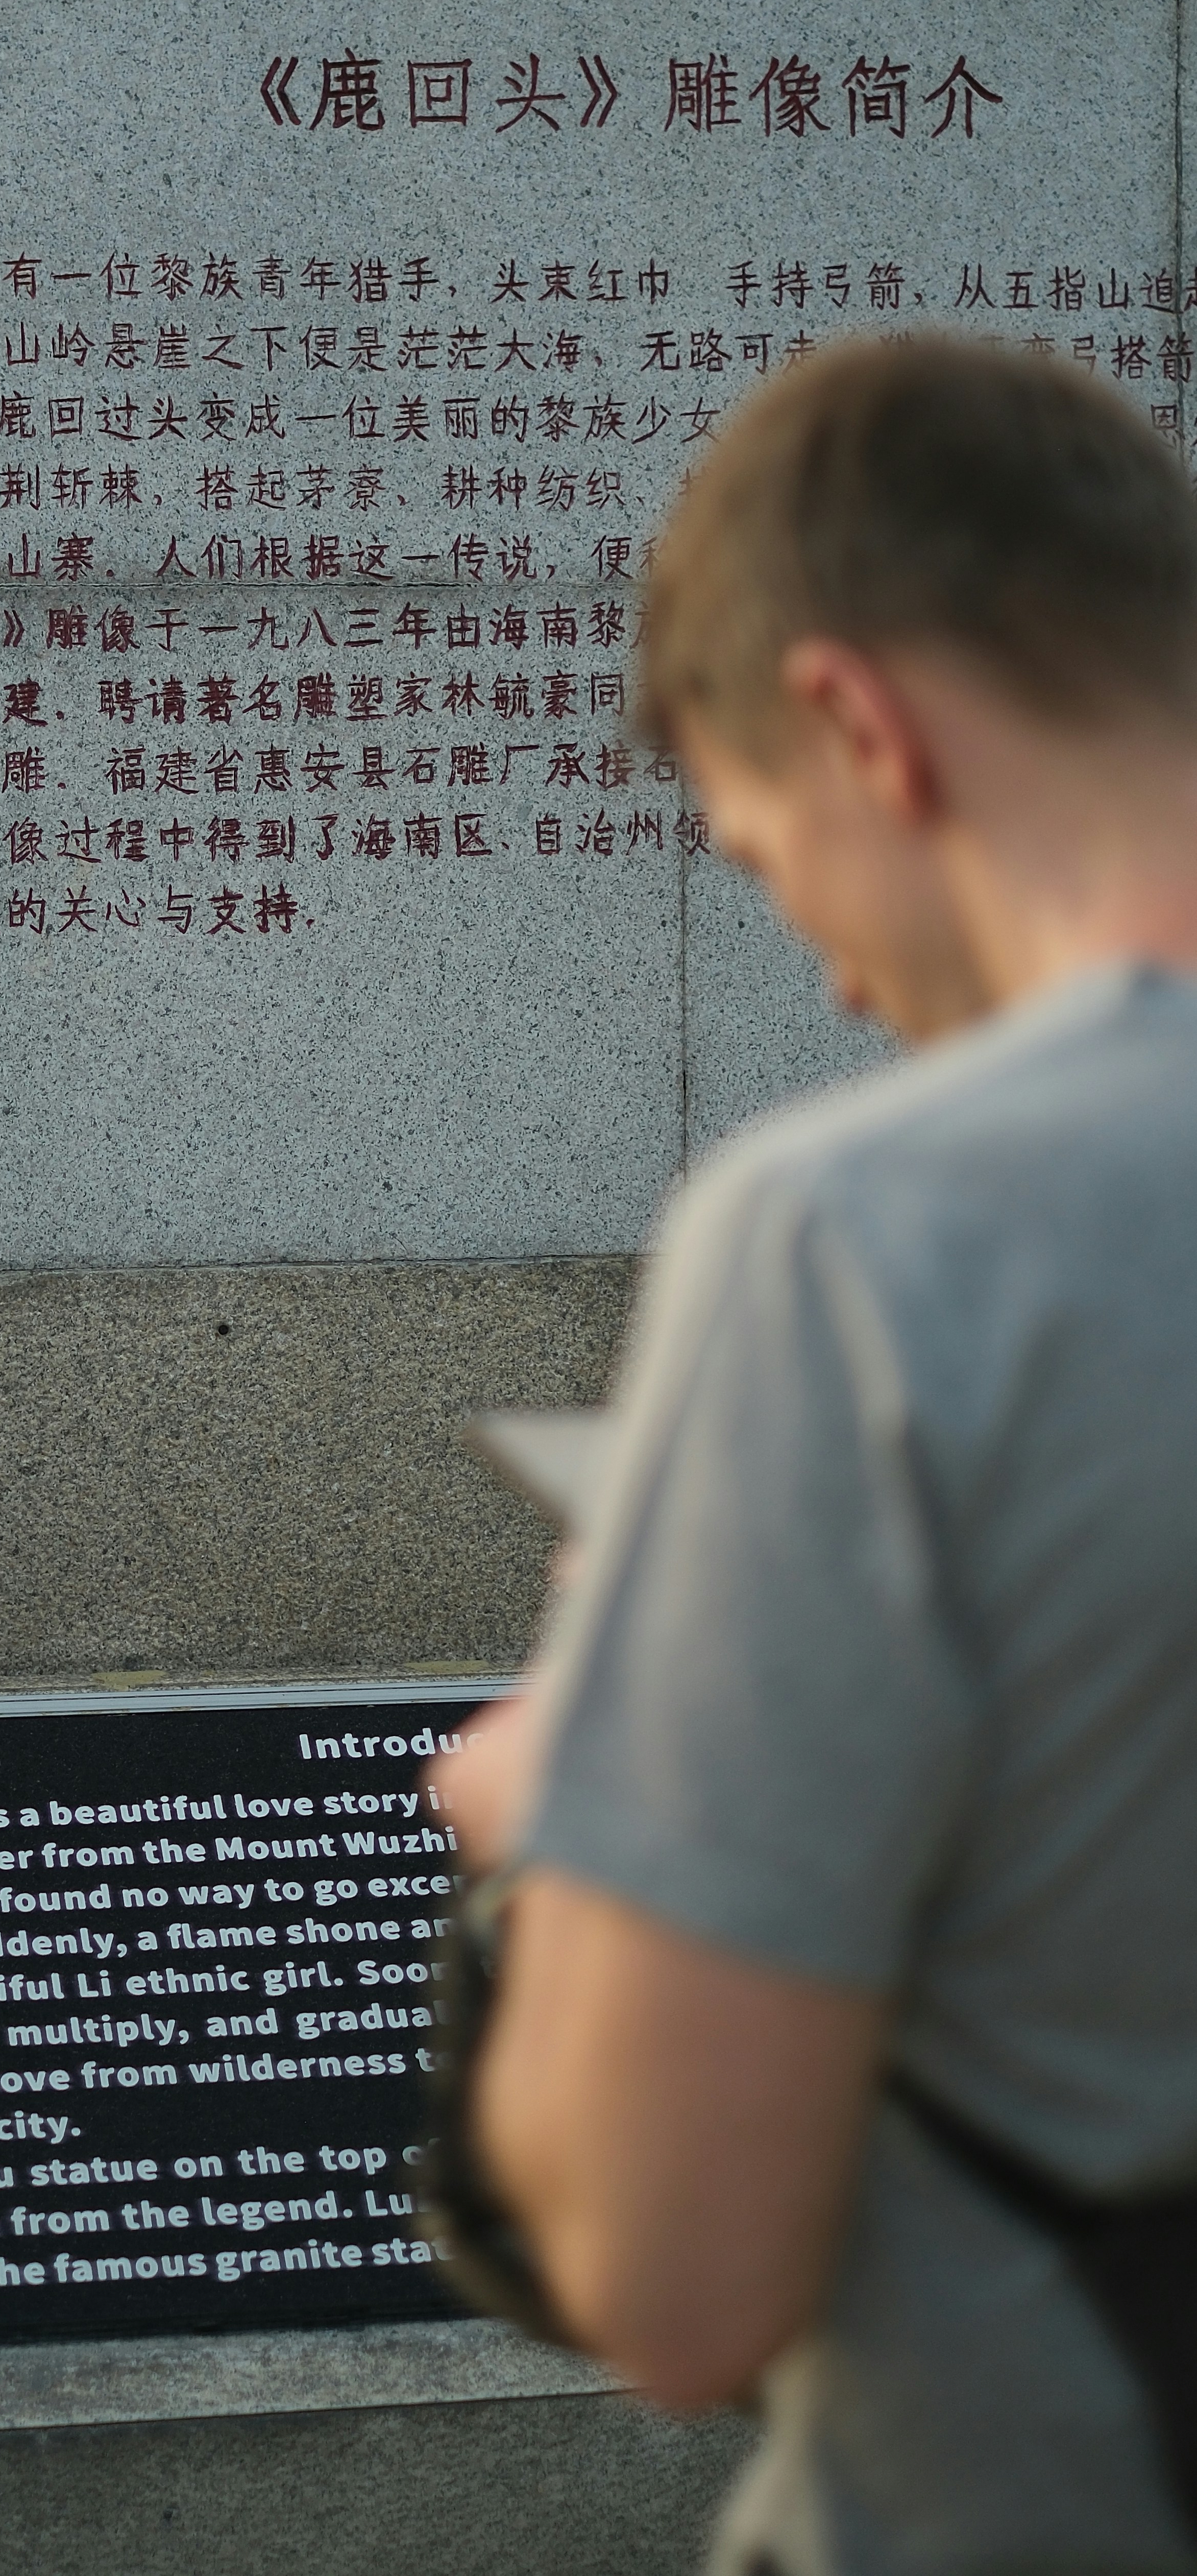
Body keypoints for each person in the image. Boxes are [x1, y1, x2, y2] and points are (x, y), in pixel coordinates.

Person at [433, 337, 1197, 2575]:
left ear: (861, 726)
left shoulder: (864, 1243)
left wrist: (555, 1809)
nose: (843, 993)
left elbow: (670, 2283)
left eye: (771, 866)